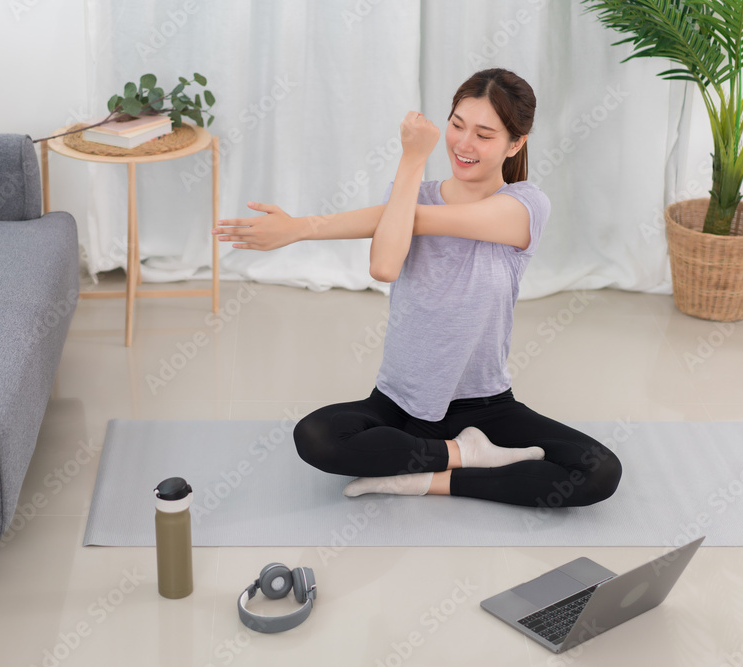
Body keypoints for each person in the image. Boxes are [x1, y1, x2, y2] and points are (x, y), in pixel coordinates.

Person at [211, 68, 621, 507]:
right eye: (457, 125)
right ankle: (464, 456)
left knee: (599, 471)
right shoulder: (409, 193)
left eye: (484, 134)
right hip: (400, 402)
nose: (463, 144)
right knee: (315, 436)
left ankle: (427, 477)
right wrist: (409, 164)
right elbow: (385, 267)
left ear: (515, 143)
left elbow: (428, 221)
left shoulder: (525, 205)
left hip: (485, 407)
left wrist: (304, 227)